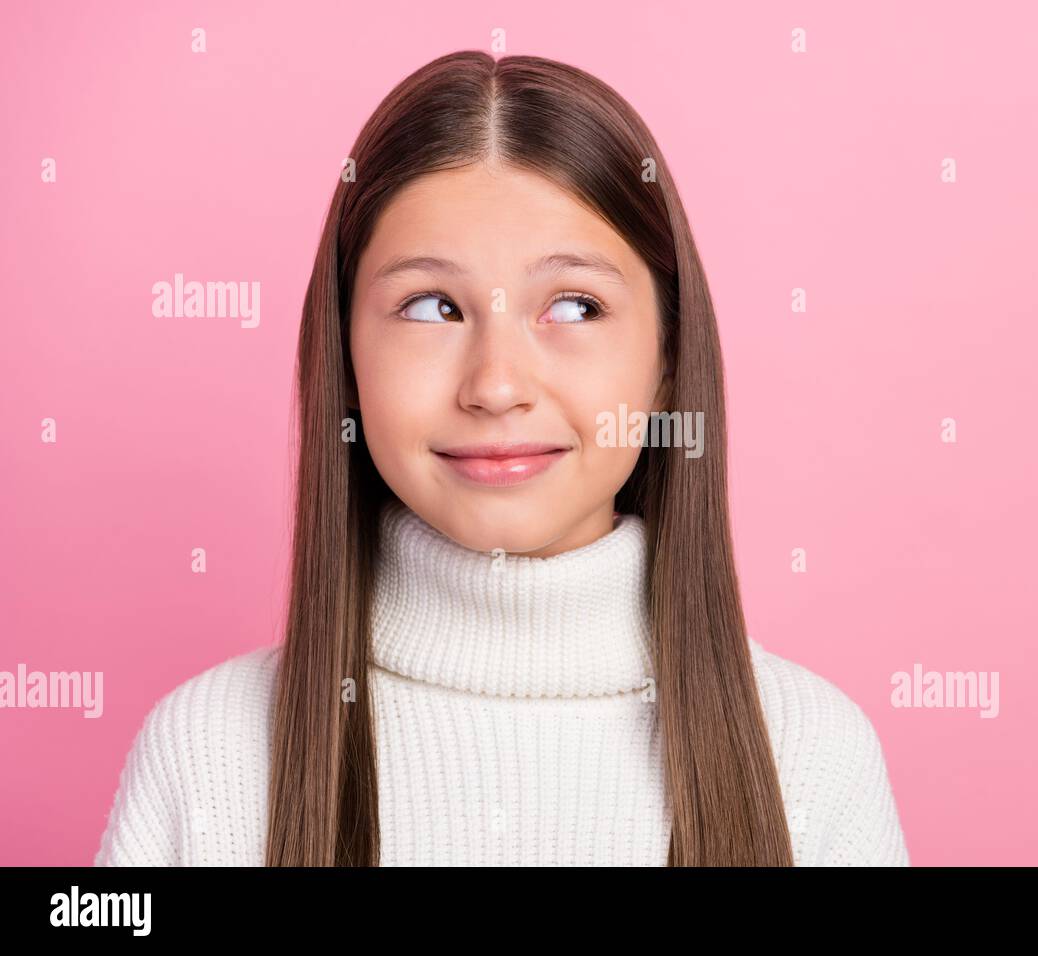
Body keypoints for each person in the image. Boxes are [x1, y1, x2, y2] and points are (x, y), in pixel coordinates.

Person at [93, 50, 909, 867]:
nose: (496, 385)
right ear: (344, 359)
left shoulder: (812, 756)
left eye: (573, 305)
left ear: (667, 363)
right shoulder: (207, 756)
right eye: (431, 306)